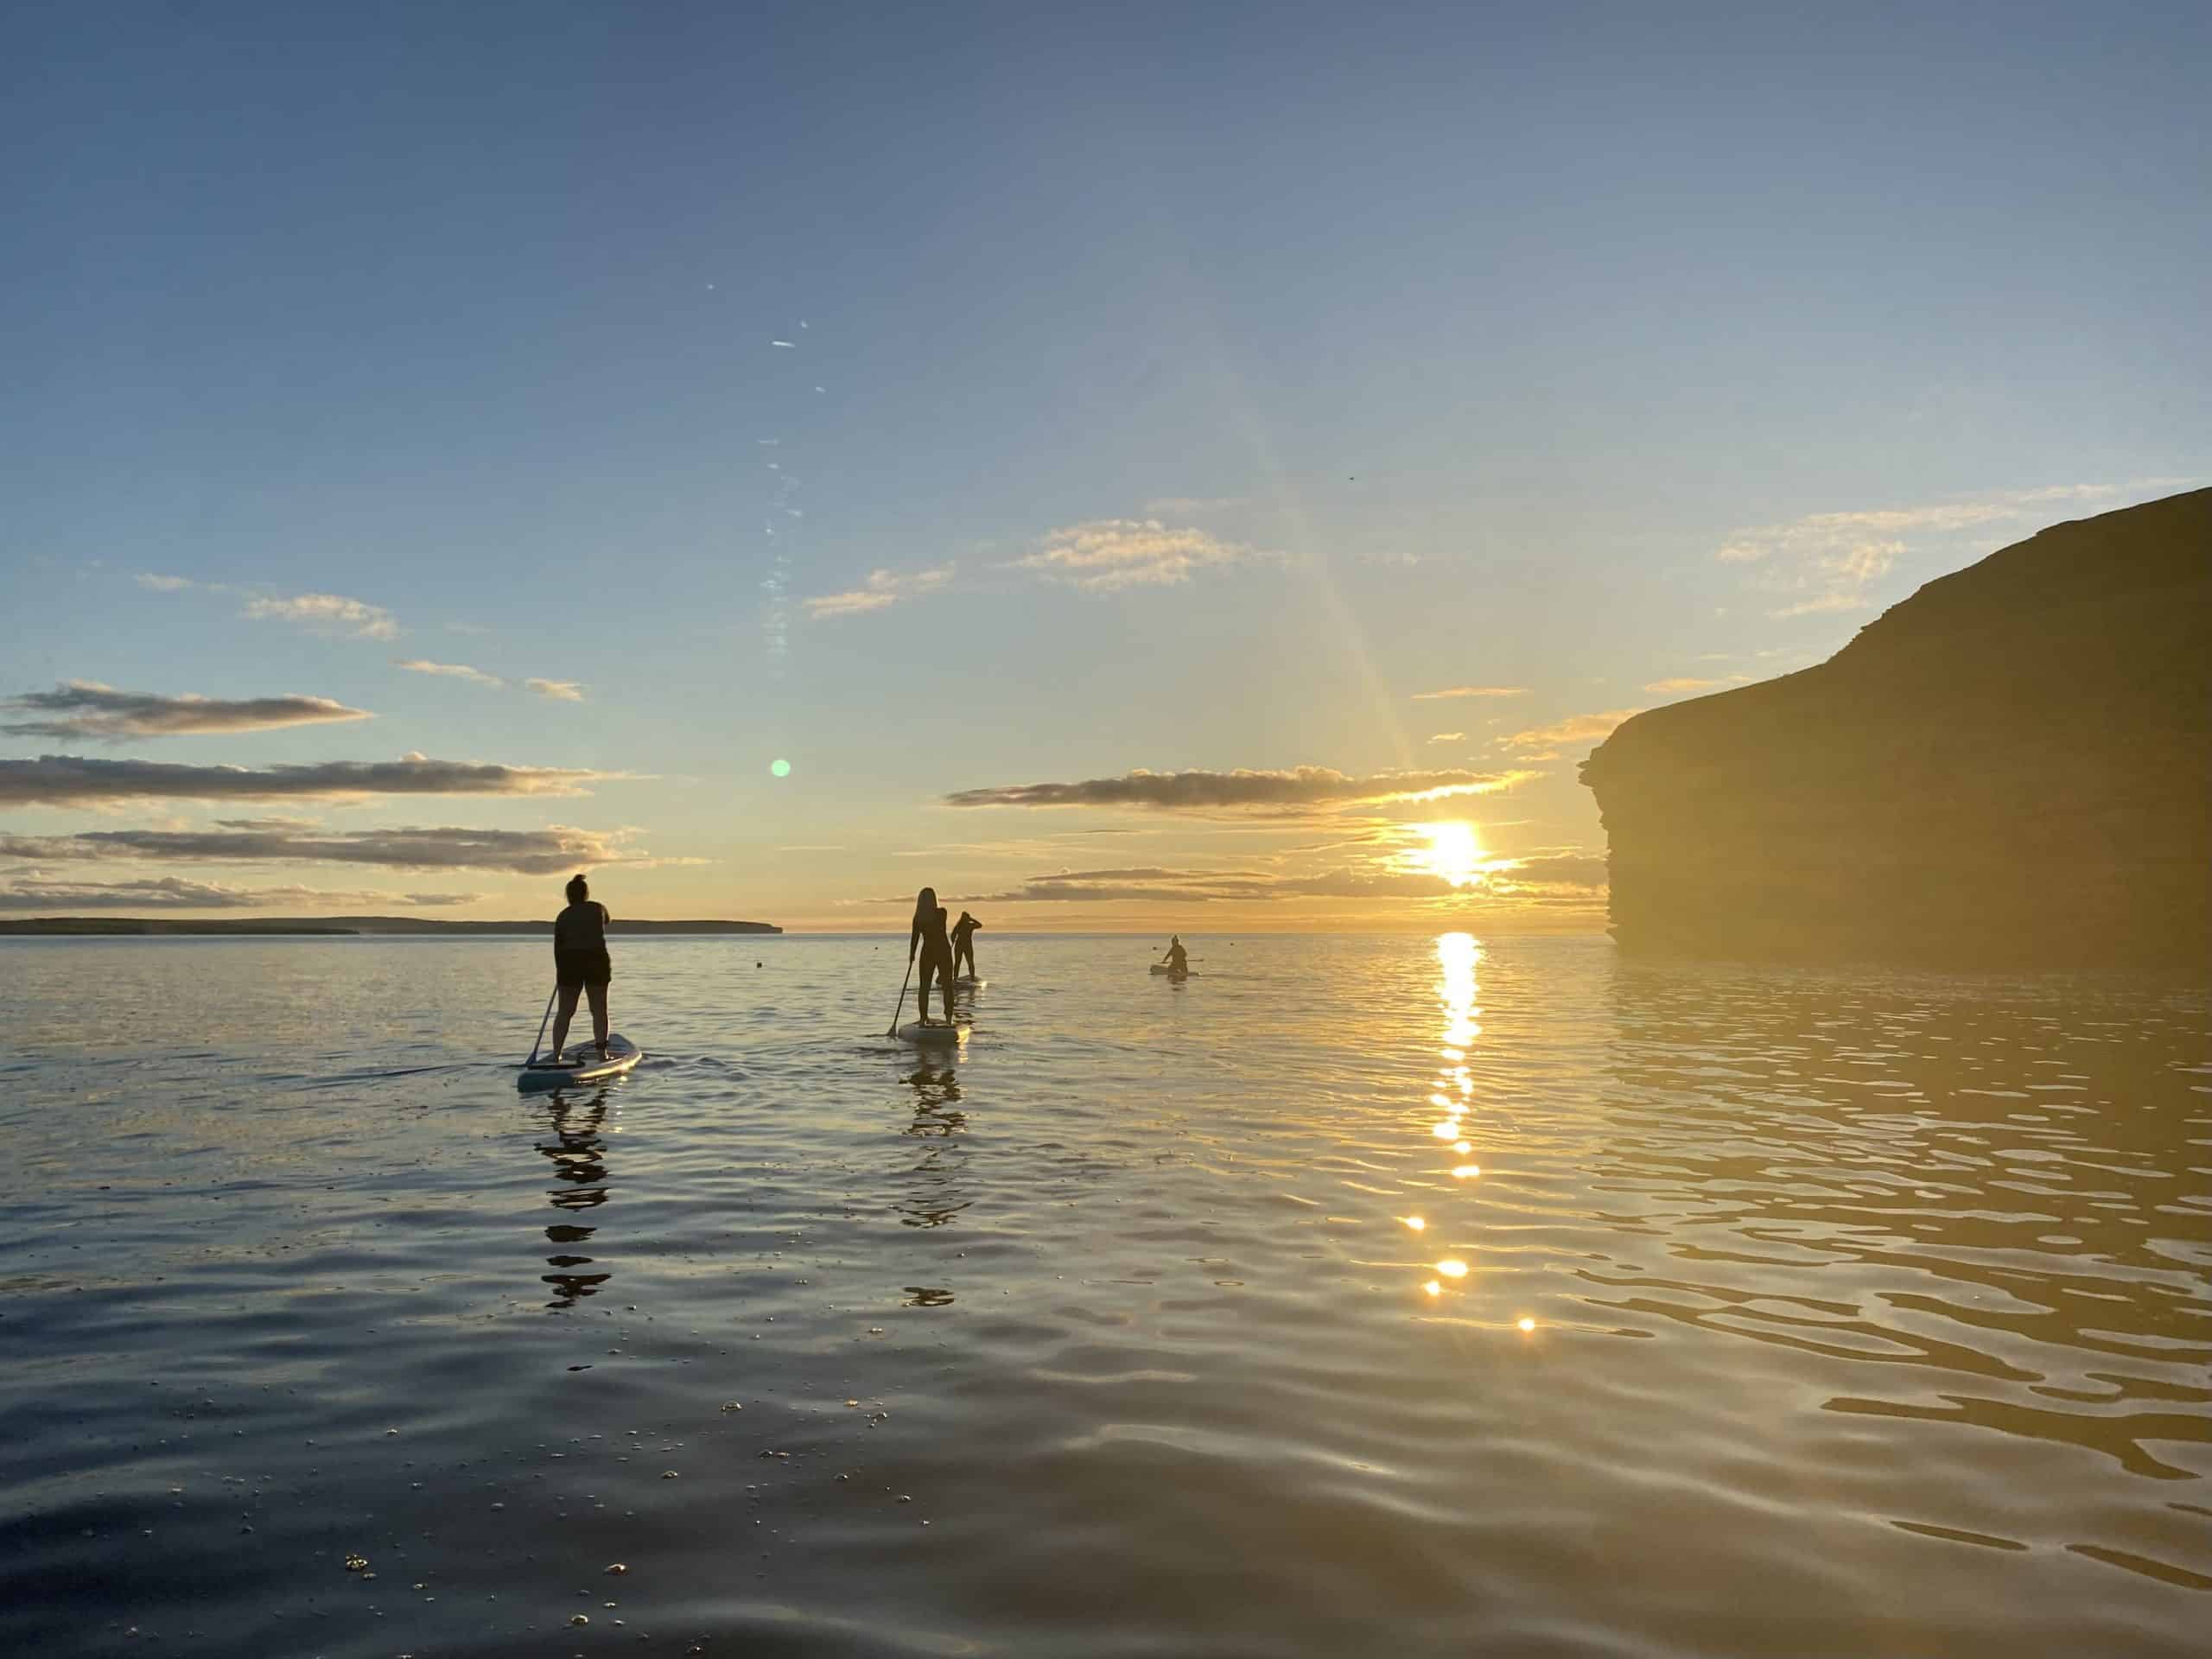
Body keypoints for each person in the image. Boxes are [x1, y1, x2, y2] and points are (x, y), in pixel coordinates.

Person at [549, 873, 612, 1062]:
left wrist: (560, 975)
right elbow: (607, 920)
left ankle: (556, 1054)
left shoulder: (562, 916)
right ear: (586, 894)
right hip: (596, 962)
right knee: (599, 1009)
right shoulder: (598, 908)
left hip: (569, 964)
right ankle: (602, 1054)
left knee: (565, 1012)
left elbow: (558, 947)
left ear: (568, 896)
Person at [909, 887, 956, 1026]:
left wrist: (912, 954)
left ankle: (924, 1018)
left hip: (928, 952)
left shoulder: (918, 918)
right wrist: (912, 954)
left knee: (924, 987)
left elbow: (915, 939)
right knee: (947, 986)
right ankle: (948, 1019)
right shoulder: (942, 913)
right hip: (943, 951)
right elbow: (915, 937)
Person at [950, 910, 982, 977]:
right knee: (968, 962)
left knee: (960, 963)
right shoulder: (969, 925)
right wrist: (972, 919)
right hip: (965, 946)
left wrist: (953, 941)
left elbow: (952, 935)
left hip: (961, 945)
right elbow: (979, 925)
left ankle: (956, 978)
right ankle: (970, 978)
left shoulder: (959, 925)